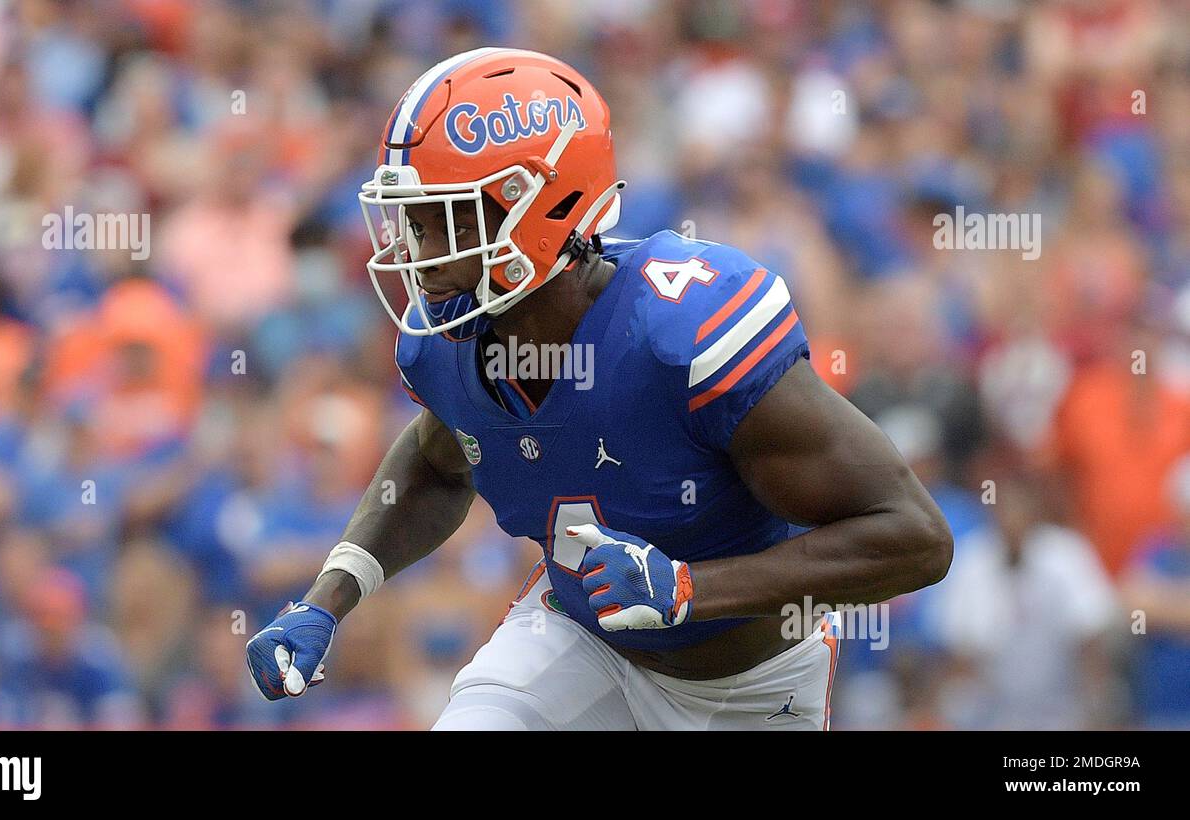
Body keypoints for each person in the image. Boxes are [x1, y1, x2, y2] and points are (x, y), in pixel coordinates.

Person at [245, 47, 952, 730]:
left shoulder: (681, 331)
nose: (418, 255)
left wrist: (688, 590)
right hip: (578, 648)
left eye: (444, 221)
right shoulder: (451, 342)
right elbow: (439, 456)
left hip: (750, 691)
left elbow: (913, 537)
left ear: (536, 205)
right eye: (412, 222)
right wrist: (327, 600)